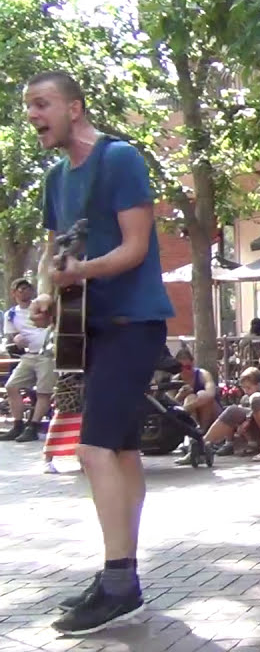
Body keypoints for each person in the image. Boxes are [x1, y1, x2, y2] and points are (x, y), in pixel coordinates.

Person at [27, 70, 174, 632]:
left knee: (92, 451)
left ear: (75, 107)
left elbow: (136, 247)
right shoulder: (53, 180)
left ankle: (118, 583)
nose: (33, 116)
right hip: (88, 327)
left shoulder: (120, 160)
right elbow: (53, 257)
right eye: (28, 108)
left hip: (133, 324)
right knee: (121, 452)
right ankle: (122, 576)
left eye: (42, 104)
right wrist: (46, 294)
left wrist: (80, 272)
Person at [2, 278, 54, 443]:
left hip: (48, 353)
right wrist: (17, 341)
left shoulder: (41, 306)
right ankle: (18, 425)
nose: (25, 291)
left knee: (43, 391)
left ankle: (33, 426)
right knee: (12, 386)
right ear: (14, 293)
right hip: (29, 354)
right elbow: (11, 340)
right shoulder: (11, 314)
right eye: (21, 289)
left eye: (27, 288)